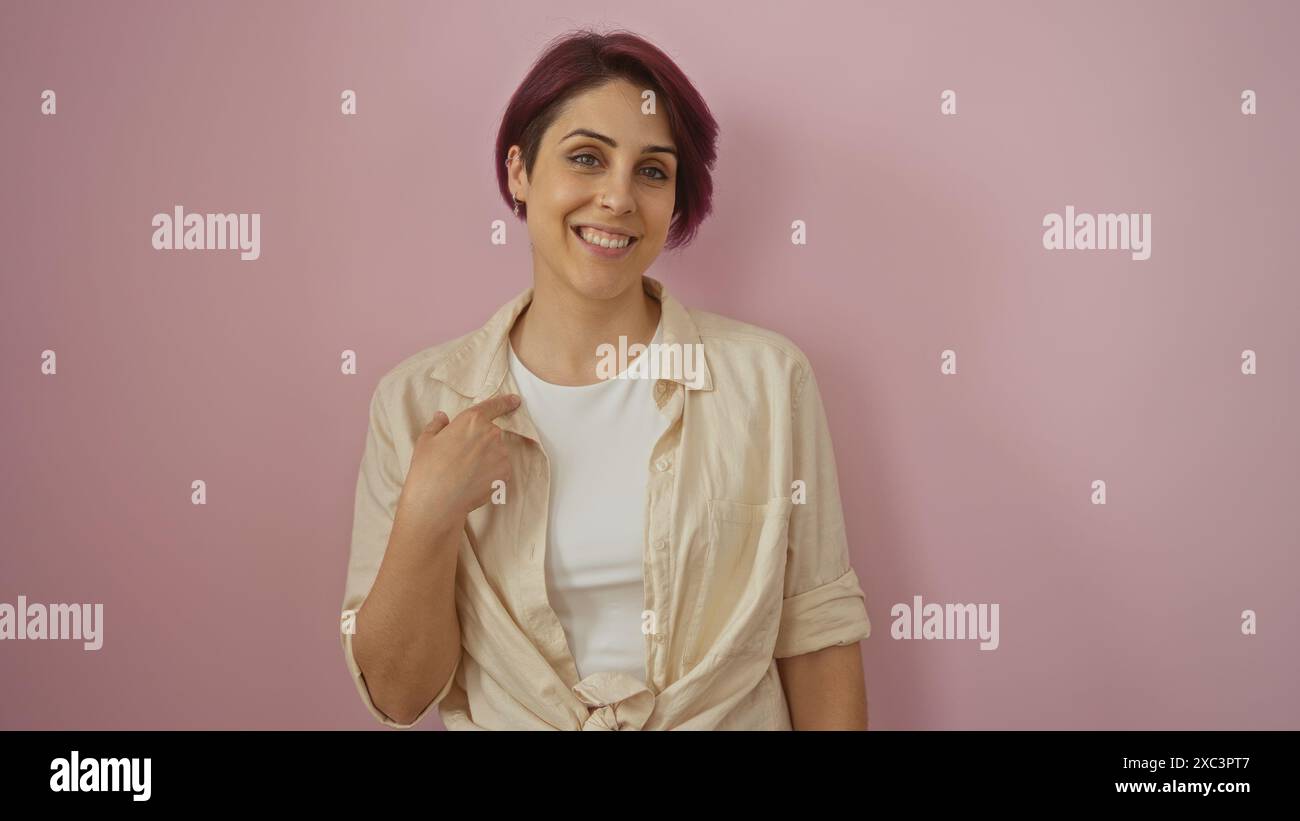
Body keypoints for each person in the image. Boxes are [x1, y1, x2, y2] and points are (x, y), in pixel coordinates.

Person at [341, 28, 872, 730]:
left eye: (652, 171)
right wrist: (425, 518)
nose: (618, 197)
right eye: (587, 158)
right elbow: (400, 694)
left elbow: (817, 636)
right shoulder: (415, 403)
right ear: (518, 172)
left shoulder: (772, 382)